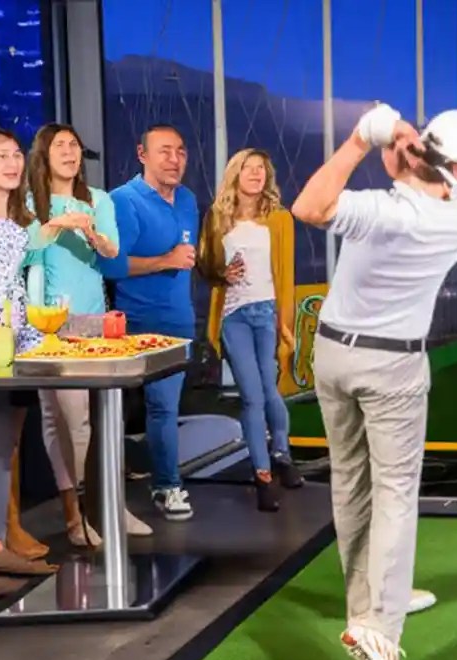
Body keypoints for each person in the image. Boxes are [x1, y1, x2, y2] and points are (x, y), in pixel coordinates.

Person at [291, 104, 457, 660]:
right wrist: (407, 143)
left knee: (352, 483)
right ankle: (382, 627)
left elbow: (310, 206)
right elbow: (408, 174)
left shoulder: (381, 210)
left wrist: (362, 137)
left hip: (334, 355)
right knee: (396, 493)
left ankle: (367, 605)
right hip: (393, 364)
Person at [24, 122, 154, 546]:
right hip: (49, 323)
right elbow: (26, 249)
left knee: (105, 419)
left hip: (96, 322)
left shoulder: (97, 200)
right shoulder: (29, 202)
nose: (70, 152)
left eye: (75, 146)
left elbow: (112, 250)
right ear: (43, 154)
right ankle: (78, 512)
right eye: (60, 145)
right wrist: (60, 221)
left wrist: (93, 233)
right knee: (66, 421)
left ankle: (110, 507)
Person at [198, 148, 303, 513]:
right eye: (249, 168)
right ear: (236, 175)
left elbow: (286, 275)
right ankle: (262, 477)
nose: (257, 174)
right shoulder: (217, 216)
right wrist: (221, 274)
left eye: (262, 169)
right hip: (235, 315)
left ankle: (282, 456)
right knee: (252, 396)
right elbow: (206, 266)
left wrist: (283, 322)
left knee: (271, 392)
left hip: (268, 312)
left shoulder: (280, 219)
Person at [105, 124, 199, 521]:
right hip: (137, 324)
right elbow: (112, 264)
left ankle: (165, 485)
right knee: (124, 411)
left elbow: (189, 256)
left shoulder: (189, 199)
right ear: (142, 155)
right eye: (164, 151)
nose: (174, 159)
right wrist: (167, 260)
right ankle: (119, 494)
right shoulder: (123, 201)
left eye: (180, 151)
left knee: (164, 408)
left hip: (179, 321)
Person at [0, 126, 57, 597]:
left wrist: (37, 340)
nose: (13, 163)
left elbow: (12, 293)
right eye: (0, 157)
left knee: (3, 447)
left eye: (16, 155)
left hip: (14, 349)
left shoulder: (15, 227)